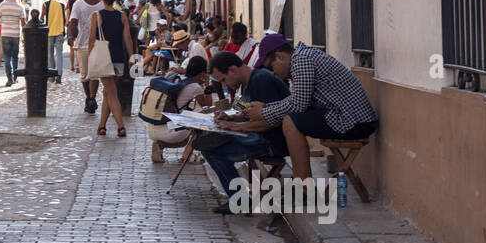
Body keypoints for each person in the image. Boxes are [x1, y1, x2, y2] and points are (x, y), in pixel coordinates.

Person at [244, 39, 379, 180]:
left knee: (290, 121)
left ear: (281, 57)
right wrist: (266, 108)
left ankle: (302, 186)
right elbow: (300, 100)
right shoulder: (302, 57)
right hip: (350, 117)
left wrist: (263, 112)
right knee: (291, 119)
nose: (271, 73)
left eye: (271, 68)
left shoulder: (302, 59)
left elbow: (299, 104)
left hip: (353, 121)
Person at [196, 39, 293, 213]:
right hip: (261, 137)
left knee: (212, 150)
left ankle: (239, 201)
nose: (225, 85)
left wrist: (234, 127)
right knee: (211, 143)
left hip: (272, 142)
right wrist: (229, 116)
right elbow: (243, 109)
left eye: (224, 80)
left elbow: (270, 121)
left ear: (233, 69)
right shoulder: (247, 84)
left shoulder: (261, 80)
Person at [148, 55, 214, 163]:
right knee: (203, 123)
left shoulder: (176, 78)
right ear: (202, 72)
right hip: (169, 131)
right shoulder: (195, 87)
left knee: (185, 137)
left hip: (154, 126)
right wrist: (207, 85)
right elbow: (207, 109)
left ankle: (160, 145)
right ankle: (187, 156)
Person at [88, 0, 133, 136]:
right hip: (118, 57)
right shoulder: (122, 16)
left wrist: (90, 57)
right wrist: (131, 57)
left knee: (111, 92)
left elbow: (91, 39)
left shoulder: (97, 15)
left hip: (104, 57)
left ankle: (121, 126)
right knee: (108, 91)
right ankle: (102, 125)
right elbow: (127, 39)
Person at [66, 0, 104, 114]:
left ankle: (93, 98)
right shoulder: (78, 4)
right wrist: (70, 35)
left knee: (95, 74)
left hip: (98, 43)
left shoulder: (102, 3)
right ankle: (88, 97)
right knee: (84, 75)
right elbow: (73, 22)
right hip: (82, 43)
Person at [0, 0, 27, 86]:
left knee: (7, 57)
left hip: (5, 34)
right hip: (15, 34)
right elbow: (23, 23)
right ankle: (15, 76)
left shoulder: (2, 5)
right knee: (15, 56)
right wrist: (24, 36)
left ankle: (9, 77)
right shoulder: (20, 6)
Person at [41, 0, 67, 85]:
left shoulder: (45, 4)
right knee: (59, 54)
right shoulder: (61, 5)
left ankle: (52, 75)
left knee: (50, 53)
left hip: (49, 32)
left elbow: (42, 18)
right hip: (60, 31)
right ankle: (59, 75)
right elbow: (64, 18)